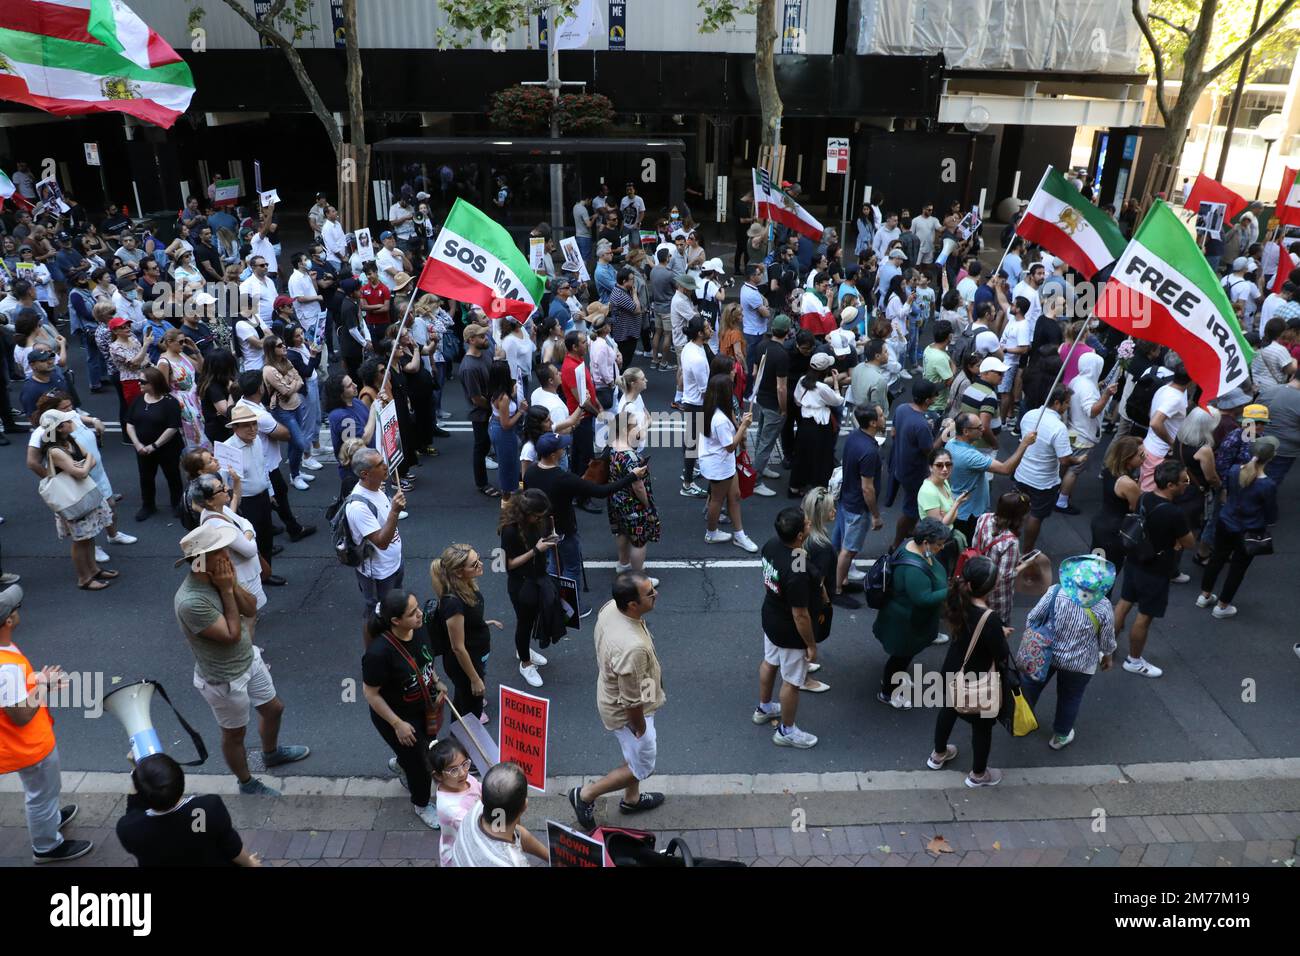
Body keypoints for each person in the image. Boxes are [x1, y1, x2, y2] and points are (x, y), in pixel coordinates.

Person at [174, 523, 309, 797]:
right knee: (235, 735)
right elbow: (233, 635)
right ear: (199, 561)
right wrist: (226, 590)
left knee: (274, 709)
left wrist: (231, 585)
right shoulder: (190, 601)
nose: (226, 555)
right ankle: (246, 782)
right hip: (224, 679)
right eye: (218, 551)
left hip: (249, 659)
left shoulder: (222, 577)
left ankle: (270, 754)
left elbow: (251, 609)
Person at [0, 586, 93, 863]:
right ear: (8, 622)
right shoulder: (6, 667)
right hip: (28, 746)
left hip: (26, 743)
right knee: (40, 794)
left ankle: (50, 819)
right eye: (15, 609)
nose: (18, 611)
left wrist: (36, 681)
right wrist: (45, 685)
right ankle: (47, 846)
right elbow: (20, 715)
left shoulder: (5, 653)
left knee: (45, 791)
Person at [568, 572, 667, 829]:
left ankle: (631, 799)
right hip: (630, 712)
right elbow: (632, 700)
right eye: (649, 593)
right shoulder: (632, 648)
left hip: (615, 692)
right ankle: (585, 795)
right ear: (632, 604)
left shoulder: (613, 607)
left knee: (631, 754)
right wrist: (640, 727)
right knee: (642, 766)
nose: (655, 594)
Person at [523, 432, 642, 620]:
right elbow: (601, 492)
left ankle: (553, 600)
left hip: (543, 529)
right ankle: (571, 607)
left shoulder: (530, 472)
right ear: (554, 454)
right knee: (571, 567)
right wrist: (631, 476)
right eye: (561, 447)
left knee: (553, 564)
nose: (564, 449)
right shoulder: (563, 478)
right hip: (565, 530)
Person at [362, 589, 448, 831]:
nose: (420, 615)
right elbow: (370, 694)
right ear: (395, 621)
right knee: (422, 766)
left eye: (418, 608)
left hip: (423, 710)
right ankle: (421, 804)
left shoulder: (420, 630)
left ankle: (402, 762)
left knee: (425, 750)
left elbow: (425, 662)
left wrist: (436, 680)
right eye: (412, 613)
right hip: (397, 718)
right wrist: (397, 724)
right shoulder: (379, 653)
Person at [926, 556, 1011, 787]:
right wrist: (1001, 634)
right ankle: (978, 774)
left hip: (952, 669)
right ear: (990, 587)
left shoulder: (957, 601)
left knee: (948, 709)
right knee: (982, 727)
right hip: (977, 679)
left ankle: (938, 754)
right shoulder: (989, 619)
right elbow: (1001, 653)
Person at [1020, 555, 1118, 751]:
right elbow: (1107, 640)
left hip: (1045, 654)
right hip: (1080, 663)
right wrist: (1108, 656)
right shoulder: (1103, 606)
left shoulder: (1056, 592)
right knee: (1070, 697)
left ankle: (1021, 722)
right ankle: (1060, 736)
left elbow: (1032, 618)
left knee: (1031, 686)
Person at [1112, 461, 1196, 679]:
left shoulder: (1144, 496)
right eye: (1183, 481)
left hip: (1134, 559)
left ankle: (1105, 648)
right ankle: (1134, 660)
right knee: (1144, 616)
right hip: (1156, 569)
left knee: (1123, 603)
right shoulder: (1175, 513)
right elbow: (1189, 542)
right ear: (1170, 485)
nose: (1187, 484)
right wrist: (1175, 541)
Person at [754, 507, 825, 748]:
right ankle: (786, 731)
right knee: (792, 681)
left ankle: (763, 708)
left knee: (769, 661)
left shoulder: (772, 544)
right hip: (789, 631)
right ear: (799, 536)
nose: (809, 525)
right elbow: (800, 614)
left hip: (770, 617)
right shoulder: (797, 567)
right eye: (806, 524)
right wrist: (811, 644)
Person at [116, 753, 259, 866]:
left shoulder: (128, 829)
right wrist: (251, 864)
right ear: (181, 780)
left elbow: (134, 815)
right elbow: (231, 847)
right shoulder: (207, 809)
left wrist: (137, 775)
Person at [1197, 438, 1279, 619]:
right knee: (1238, 568)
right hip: (1249, 530)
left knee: (1216, 559)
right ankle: (1222, 606)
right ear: (1270, 458)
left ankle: (1205, 595)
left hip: (1226, 522)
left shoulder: (1235, 471)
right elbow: (1271, 512)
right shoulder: (1268, 485)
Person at [874, 518, 952, 708]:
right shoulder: (913, 570)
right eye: (939, 544)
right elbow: (923, 599)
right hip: (906, 625)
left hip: (905, 619)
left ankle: (895, 681)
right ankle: (888, 692)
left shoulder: (909, 545)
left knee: (902, 657)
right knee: (900, 658)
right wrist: (951, 590)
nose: (941, 548)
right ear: (925, 542)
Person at [431, 543, 504, 722]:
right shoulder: (453, 602)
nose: (481, 564)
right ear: (458, 572)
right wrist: (476, 679)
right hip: (465, 663)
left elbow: (464, 623)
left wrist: (483, 623)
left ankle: (458, 745)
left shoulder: (465, 585)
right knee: (472, 714)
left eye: (478, 558)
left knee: (463, 701)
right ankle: (463, 747)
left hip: (474, 656)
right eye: (474, 564)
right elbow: (457, 647)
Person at [498, 490, 563, 688]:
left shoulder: (538, 521)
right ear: (527, 513)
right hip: (522, 584)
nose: (540, 519)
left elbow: (542, 539)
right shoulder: (510, 530)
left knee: (533, 618)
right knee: (524, 623)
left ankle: (523, 649)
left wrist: (551, 539)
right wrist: (536, 550)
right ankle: (525, 663)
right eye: (538, 516)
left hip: (539, 578)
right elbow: (506, 564)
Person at [344, 449, 407, 643]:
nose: (386, 465)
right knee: (375, 614)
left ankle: (393, 644)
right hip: (379, 574)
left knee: (394, 608)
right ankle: (372, 655)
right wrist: (395, 512)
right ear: (365, 474)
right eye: (380, 464)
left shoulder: (377, 487)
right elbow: (381, 541)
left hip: (394, 563)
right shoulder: (358, 507)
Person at [189, 471, 265, 630]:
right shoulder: (220, 525)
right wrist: (249, 533)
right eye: (220, 489)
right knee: (249, 618)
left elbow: (243, 521)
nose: (226, 489)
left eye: (222, 485)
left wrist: (247, 532)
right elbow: (250, 549)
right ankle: (248, 652)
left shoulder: (216, 510)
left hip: (243, 574)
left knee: (248, 616)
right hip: (244, 578)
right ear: (209, 501)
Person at [947, 412, 1035, 540]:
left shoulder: (951, 443)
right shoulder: (970, 456)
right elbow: (1006, 469)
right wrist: (1024, 444)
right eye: (978, 427)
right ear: (966, 431)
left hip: (958, 506)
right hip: (970, 514)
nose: (983, 429)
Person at [1014, 386, 1080, 554]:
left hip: (1021, 473)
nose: (1068, 407)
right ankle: (1026, 552)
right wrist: (1078, 459)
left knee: (1017, 511)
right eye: (1066, 403)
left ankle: (1009, 545)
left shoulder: (1029, 415)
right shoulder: (1058, 427)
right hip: (1042, 481)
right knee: (1035, 515)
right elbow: (1064, 459)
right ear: (1057, 403)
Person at [698, 372, 758, 551]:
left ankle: (739, 534)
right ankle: (711, 532)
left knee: (735, 496)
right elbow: (730, 446)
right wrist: (744, 427)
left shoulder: (712, 410)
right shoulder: (720, 419)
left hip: (722, 463)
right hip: (719, 465)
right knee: (717, 500)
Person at [450, 762, 549, 867]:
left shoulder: (476, 810)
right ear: (525, 806)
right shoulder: (513, 863)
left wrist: (550, 857)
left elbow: (517, 833)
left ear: (482, 798)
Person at [124, 367, 186, 522]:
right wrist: (137, 444)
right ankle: (148, 505)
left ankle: (177, 504)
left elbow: (172, 427)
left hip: (167, 448)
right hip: (143, 448)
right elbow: (129, 423)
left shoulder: (170, 402)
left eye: (143, 381)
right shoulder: (139, 399)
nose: (139, 384)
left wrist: (155, 445)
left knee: (173, 476)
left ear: (154, 383)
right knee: (145, 477)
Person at [1057, 352, 1115, 515]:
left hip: (1072, 430)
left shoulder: (1077, 380)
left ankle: (1057, 492)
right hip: (1084, 434)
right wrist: (1106, 396)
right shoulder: (1088, 387)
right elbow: (1092, 411)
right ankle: (1062, 501)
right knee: (1074, 470)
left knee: (1065, 464)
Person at [889, 378, 944, 548]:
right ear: (928, 400)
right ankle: (896, 544)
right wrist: (943, 435)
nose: (935, 399)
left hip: (901, 466)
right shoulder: (921, 424)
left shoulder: (902, 408)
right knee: (911, 511)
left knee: (912, 508)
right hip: (915, 473)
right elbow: (931, 451)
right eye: (934, 397)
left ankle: (910, 532)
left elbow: (893, 433)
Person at [607, 409, 662, 575]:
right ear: (625, 430)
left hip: (616, 499)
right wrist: (647, 505)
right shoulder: (630, 456)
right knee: (639, 541)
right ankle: (639, 577)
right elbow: (638, 486)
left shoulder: (612, 446)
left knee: (622, 532)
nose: (638, 428)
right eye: (635, 425)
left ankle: (623, 564)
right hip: (632, 504)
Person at [261, 334, 313, 489]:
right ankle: (295, 474)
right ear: (271, 350)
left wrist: (290, 384)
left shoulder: (286, 361)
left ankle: (295, 473)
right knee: (299, 443)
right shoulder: (269, 370)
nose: (284, 346)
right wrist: (291, 384)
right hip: (282, 410)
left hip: (296, 405)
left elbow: (300, 380)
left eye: (283, 344)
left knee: (294, 443)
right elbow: (286, 390)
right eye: (279, 345)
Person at [789, 353, 844, 498]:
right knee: (821, 456)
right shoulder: (822, 387)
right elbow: (838, 401)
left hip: (804, 423)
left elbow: (797, 400)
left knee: (801, 455)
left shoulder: (802, 380)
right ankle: (818, 488)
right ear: (825, 370)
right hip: (821, 426)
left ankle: (795, 486)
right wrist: (836, 382)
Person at [750, 314, 793, 496]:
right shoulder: (782, 355)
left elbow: (754, 373)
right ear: (788, 332)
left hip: (761, 399)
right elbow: (781, 387)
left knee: (761, 437)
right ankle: (755, 481)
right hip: (774, 404)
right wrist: (784, 409)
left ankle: (761, 468)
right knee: (767, 443)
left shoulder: (761, 345)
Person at [1091, 436, 1145, 576]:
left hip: (1100, 523)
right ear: (1128, 458)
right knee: (1107, 576)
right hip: (1114, 532)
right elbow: (1136, 507)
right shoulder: (1128, 484)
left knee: (1094, 572)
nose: (1145, 457)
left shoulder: (1109, 470)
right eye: (1141, 455)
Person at [156, 328, 209, 452]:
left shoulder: (182, 354)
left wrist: (196, 350)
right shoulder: (164, 362)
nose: (183, 344)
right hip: (181, 403)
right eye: (180, 342)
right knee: (192, 435)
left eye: (184, 341)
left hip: (195, 399)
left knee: (203, 431)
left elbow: (201, 369)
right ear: (169, 342)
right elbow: (162, 388)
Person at [1140, 364, 1191, 491]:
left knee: (1145, 485)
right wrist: (1172, 443)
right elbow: (1155, 422)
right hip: (1158, 452)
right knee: (1149, 491)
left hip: (1149, 445)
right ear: (1191, 381)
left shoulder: (1165, 388)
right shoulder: (1176, 398)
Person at [432, 738, 482, 865]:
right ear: (438, 775)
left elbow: (479, 787)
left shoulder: (461, 779)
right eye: (453, 770)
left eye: (465, 764)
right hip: (462, 855)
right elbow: (480, 831)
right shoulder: (452, 810)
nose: (462, 773)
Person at [487, 358, 527, 499]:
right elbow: (506, 424)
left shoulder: (497, 391)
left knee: (508, 462)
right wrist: (521, 411)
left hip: (495, 426)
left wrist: (513, 394)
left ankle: (509, 493)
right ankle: (507, 497)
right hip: (503, 431)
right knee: (508, 464)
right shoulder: (503, 397)